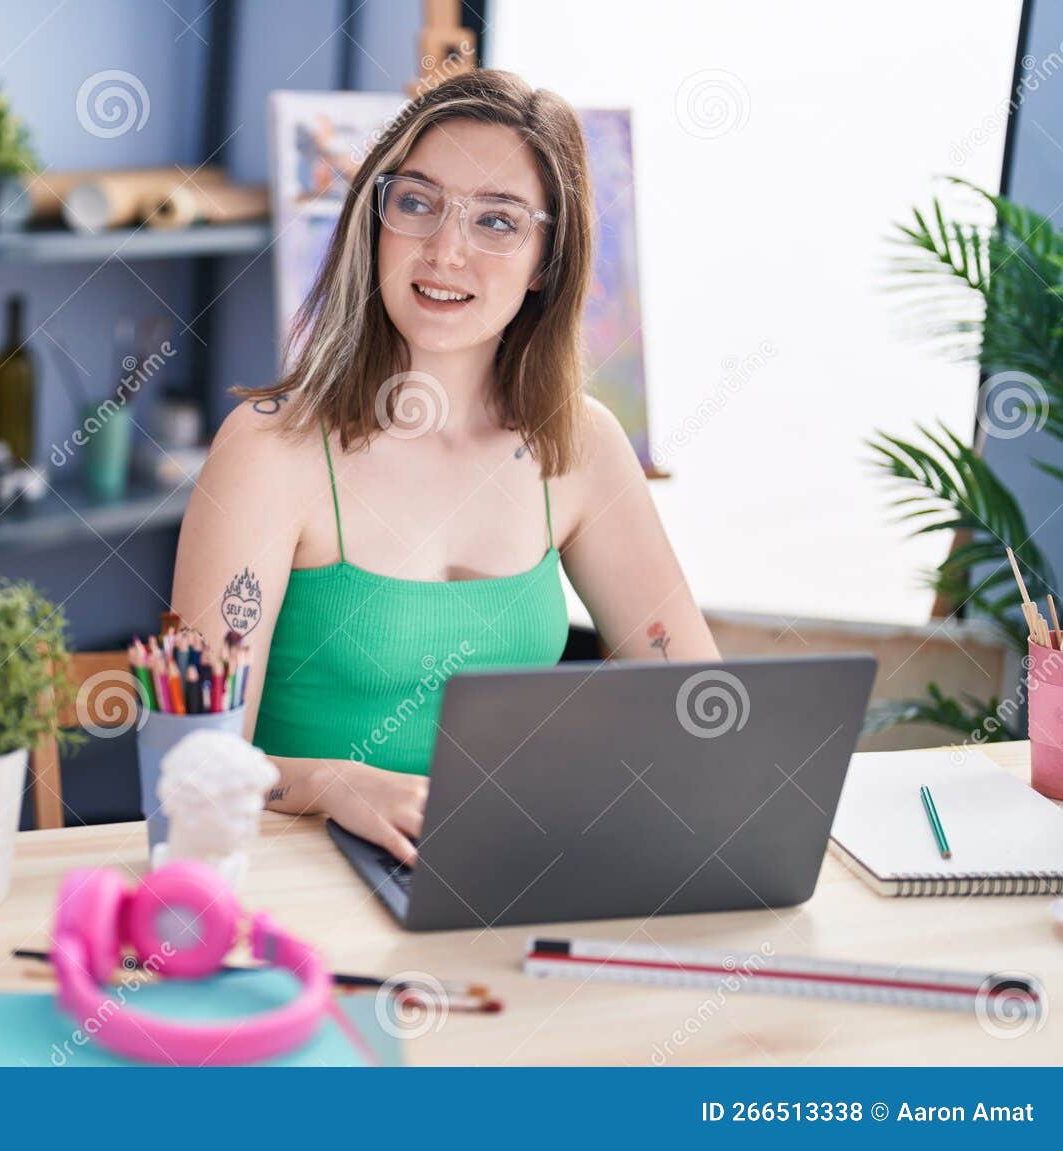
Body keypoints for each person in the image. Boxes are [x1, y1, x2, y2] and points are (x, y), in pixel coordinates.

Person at [170, 70, 719, 866]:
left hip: (502, 873)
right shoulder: (268, 451)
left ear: (545, 261)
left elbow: (698, 708)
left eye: (497, 220)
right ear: (376, 220)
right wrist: (335, 784)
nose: (446, 249)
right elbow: (192, 764)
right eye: (419, 203)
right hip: (296, 881)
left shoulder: (581, 446)